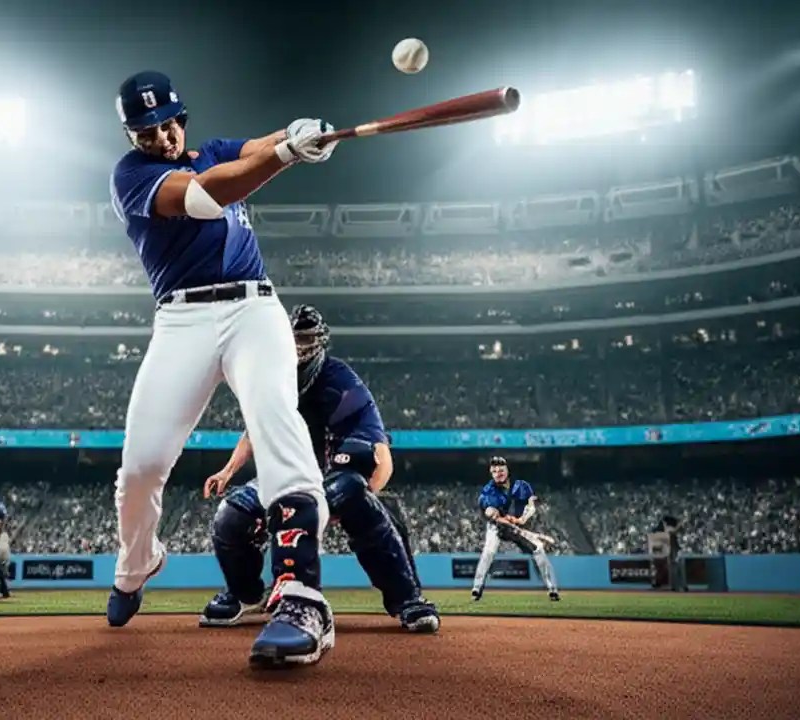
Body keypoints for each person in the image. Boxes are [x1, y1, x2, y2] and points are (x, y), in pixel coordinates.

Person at [107, 70, 339, 667]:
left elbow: (255, 147)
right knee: (141, 468)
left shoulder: (210, 149)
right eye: (147, 132)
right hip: (180, 321)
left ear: (182, 117)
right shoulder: (132, 176)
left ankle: (302, 597)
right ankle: (137, 564)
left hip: (254, 309)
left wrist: (296, 133)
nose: (162, 138)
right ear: (131, 136)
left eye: (169, 124)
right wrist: (288, 154)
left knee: (277, 422)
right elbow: (207, 195)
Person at [199, 304, 440, 633]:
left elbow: (380, 453)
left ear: (320, 341)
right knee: (230, 515)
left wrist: (365, 497)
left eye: (305, 339)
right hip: (284, 475)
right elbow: (254, 429)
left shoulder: (342, 382)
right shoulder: (271, 378)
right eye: (293, 339)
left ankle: (407, 598)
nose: (298, 348)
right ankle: (244, 593)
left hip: (333, 475)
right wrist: (227, 471)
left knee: (356, 495)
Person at [471, 457, 560, 601]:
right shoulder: (489, 491)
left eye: (501, 470)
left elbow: (531, 504)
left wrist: (522, 520)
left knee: (538, 549)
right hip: (497, 527)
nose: (498, 474)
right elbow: (492, 515)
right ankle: (477, 587)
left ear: (507, 471)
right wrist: (510, 522)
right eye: (494, 471)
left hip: (518, 524)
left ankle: (552, 589)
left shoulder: (522, 486)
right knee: (488, 552)